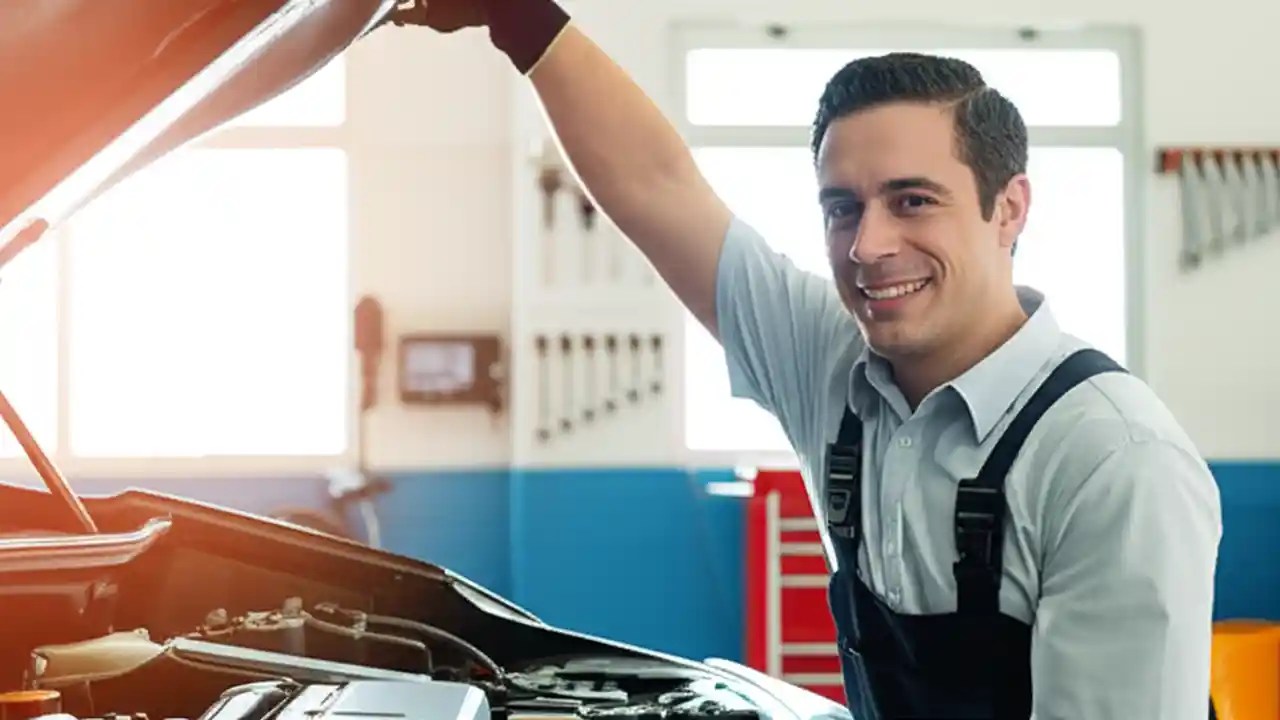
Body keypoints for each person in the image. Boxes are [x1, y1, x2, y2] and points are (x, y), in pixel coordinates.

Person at [388, 2, 1224, 717]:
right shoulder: (832, 360)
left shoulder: (1113, 461)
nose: (868, 246)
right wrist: (521, 18)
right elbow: (657, 188)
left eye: (912, 201)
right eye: (841, 207)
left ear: (1009, 209)